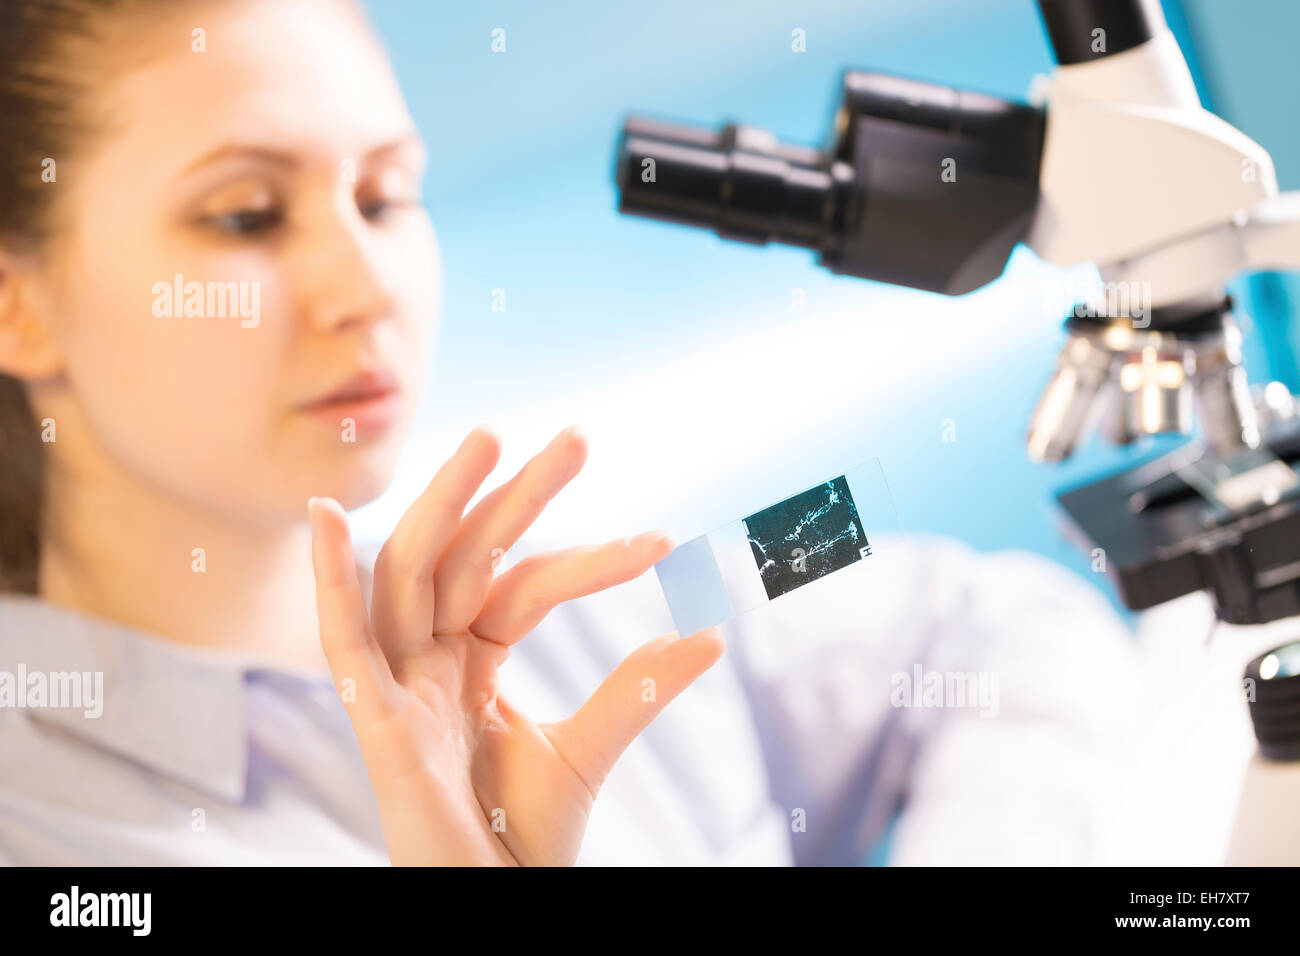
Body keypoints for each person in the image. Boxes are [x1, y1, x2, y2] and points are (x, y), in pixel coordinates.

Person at [0, 0, 1143, 866]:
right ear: (20, 303)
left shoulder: (592, 590)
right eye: (245, 214)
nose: (365, 285)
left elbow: (990, 613)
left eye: (385, 197)